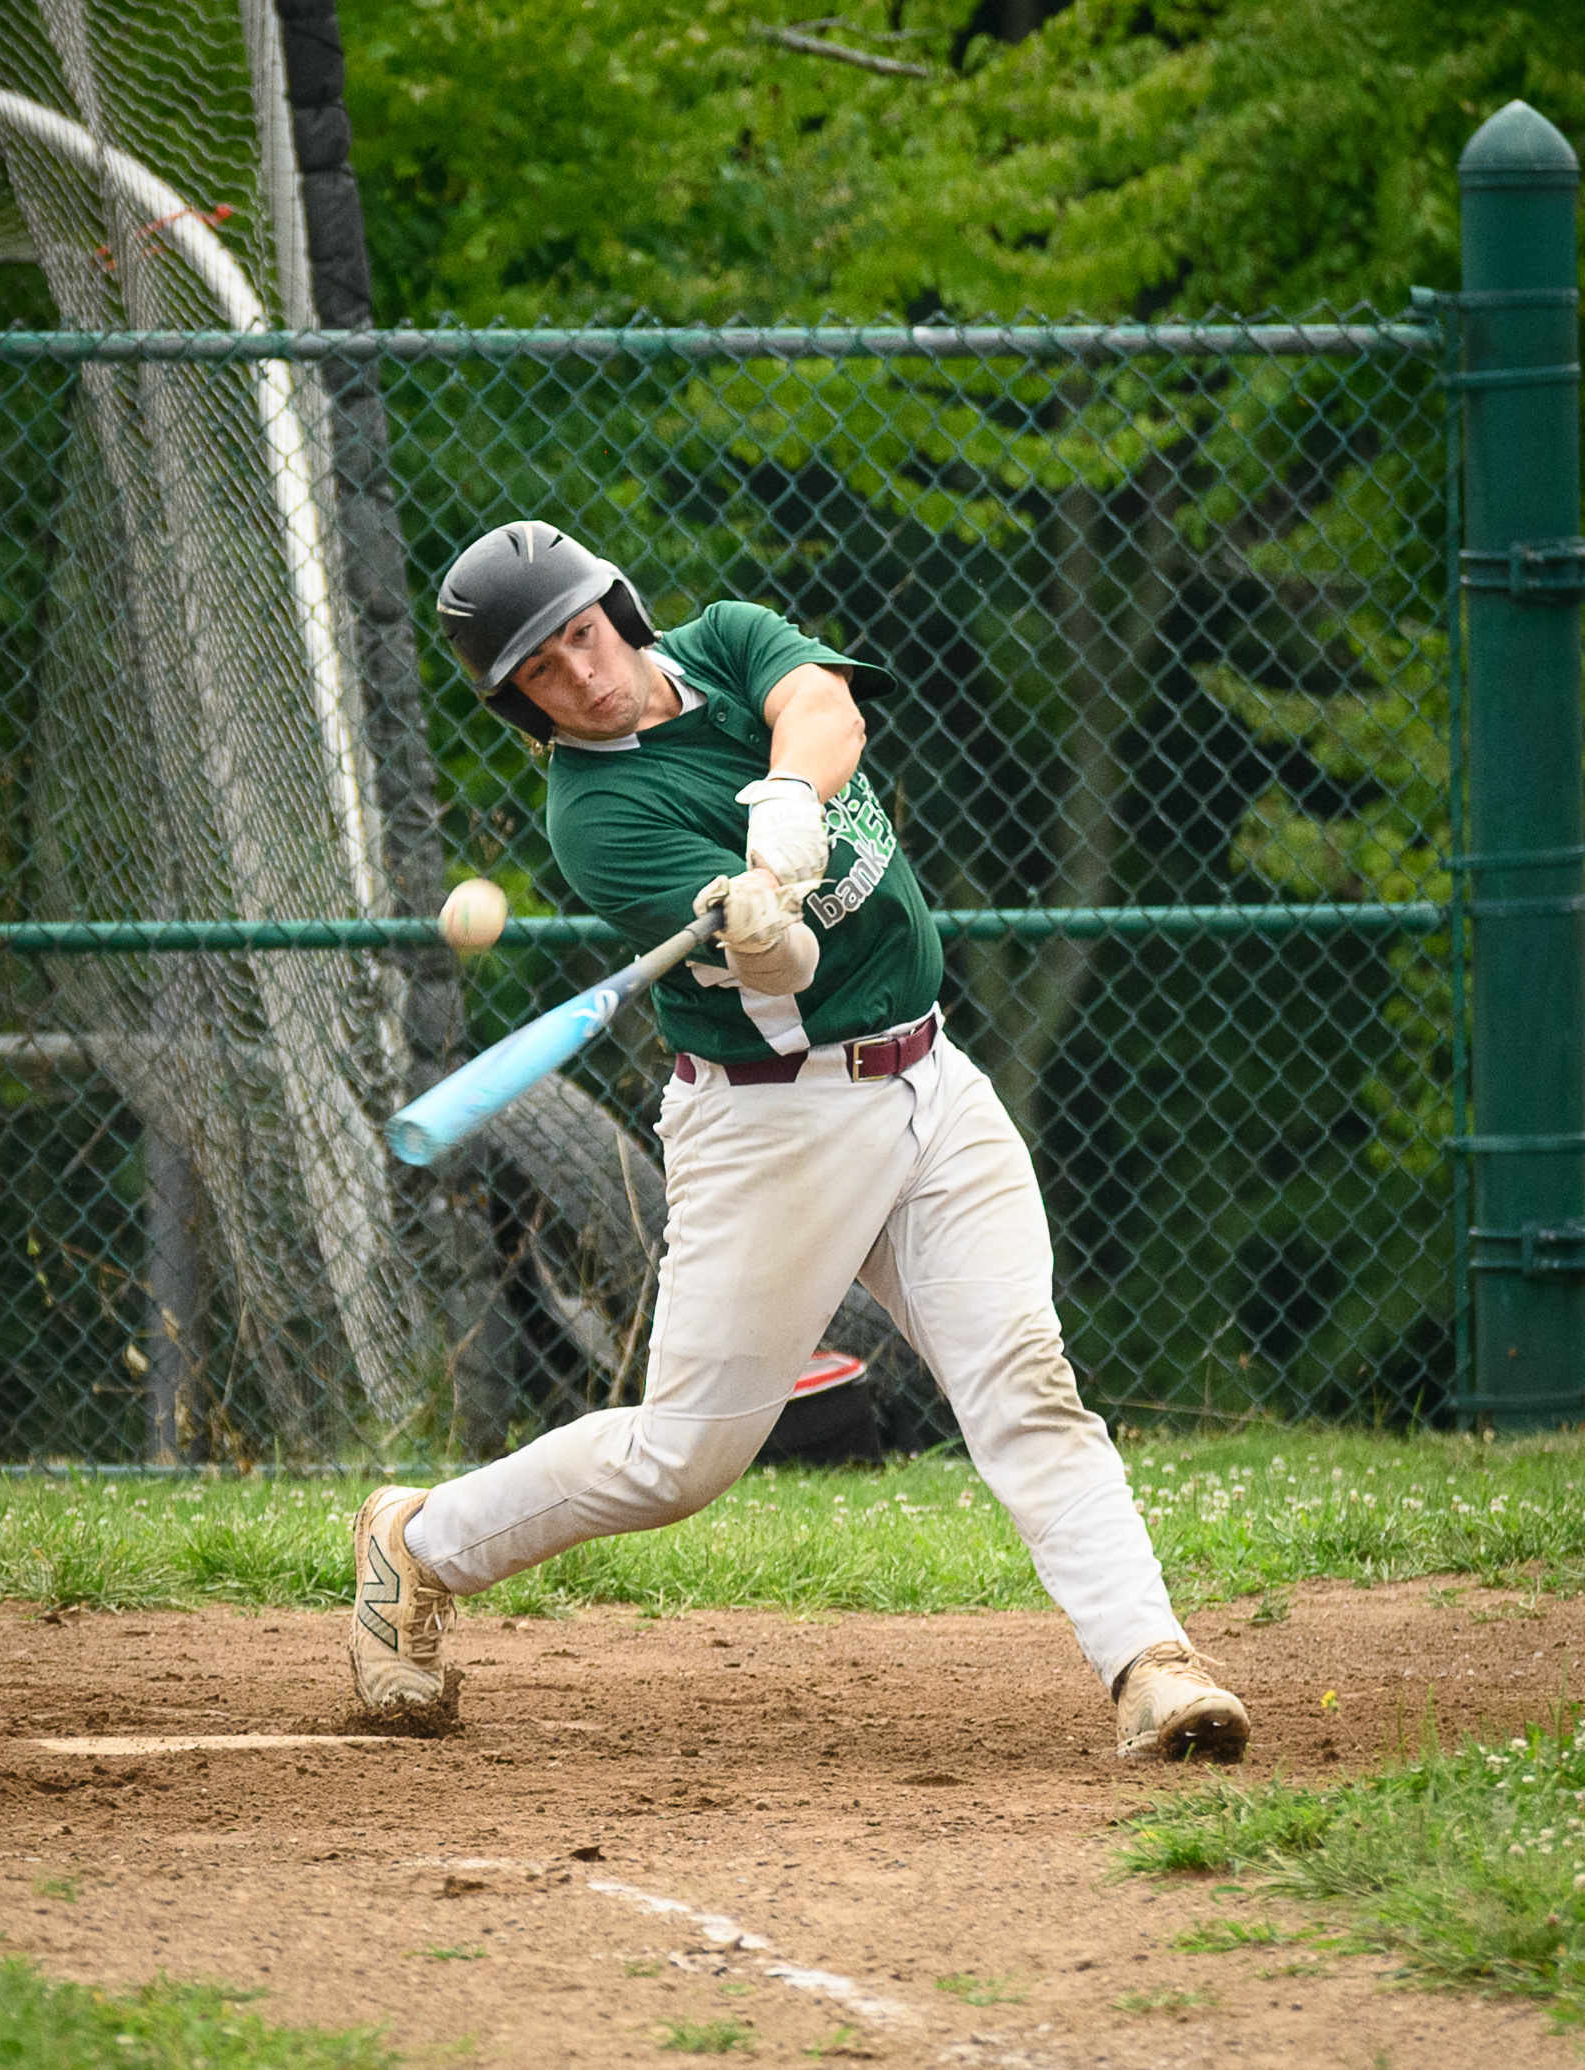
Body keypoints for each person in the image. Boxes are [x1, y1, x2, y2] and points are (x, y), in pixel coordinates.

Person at [347, 522, 1250, 1763]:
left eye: (583, 634)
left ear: (620, 608)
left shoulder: (722, 640)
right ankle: (416, 1543)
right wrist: (758, 924)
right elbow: (795, 968)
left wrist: (784, 807)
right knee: (682, 1461)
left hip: (932, 1081)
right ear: (519, 703)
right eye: (545, 670)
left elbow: (823, 709)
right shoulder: (598, 820)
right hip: (773, 1125)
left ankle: (1154, 1667)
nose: (584, 673)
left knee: (1024, 1383)